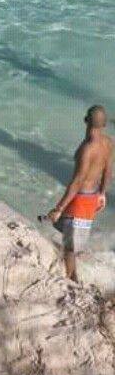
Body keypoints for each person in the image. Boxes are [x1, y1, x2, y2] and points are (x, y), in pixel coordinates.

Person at [46, 106, 112, 282]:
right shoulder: (108, 143)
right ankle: (72, 267)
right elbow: (108, 171)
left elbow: (77, 182)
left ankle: (70, 278)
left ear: (86, 121)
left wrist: (59, 208)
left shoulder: (87, 149)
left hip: (80, 199)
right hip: (93, 197)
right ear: (104, 125)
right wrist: (102, 193)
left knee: (69, 246)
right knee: (64, 230)